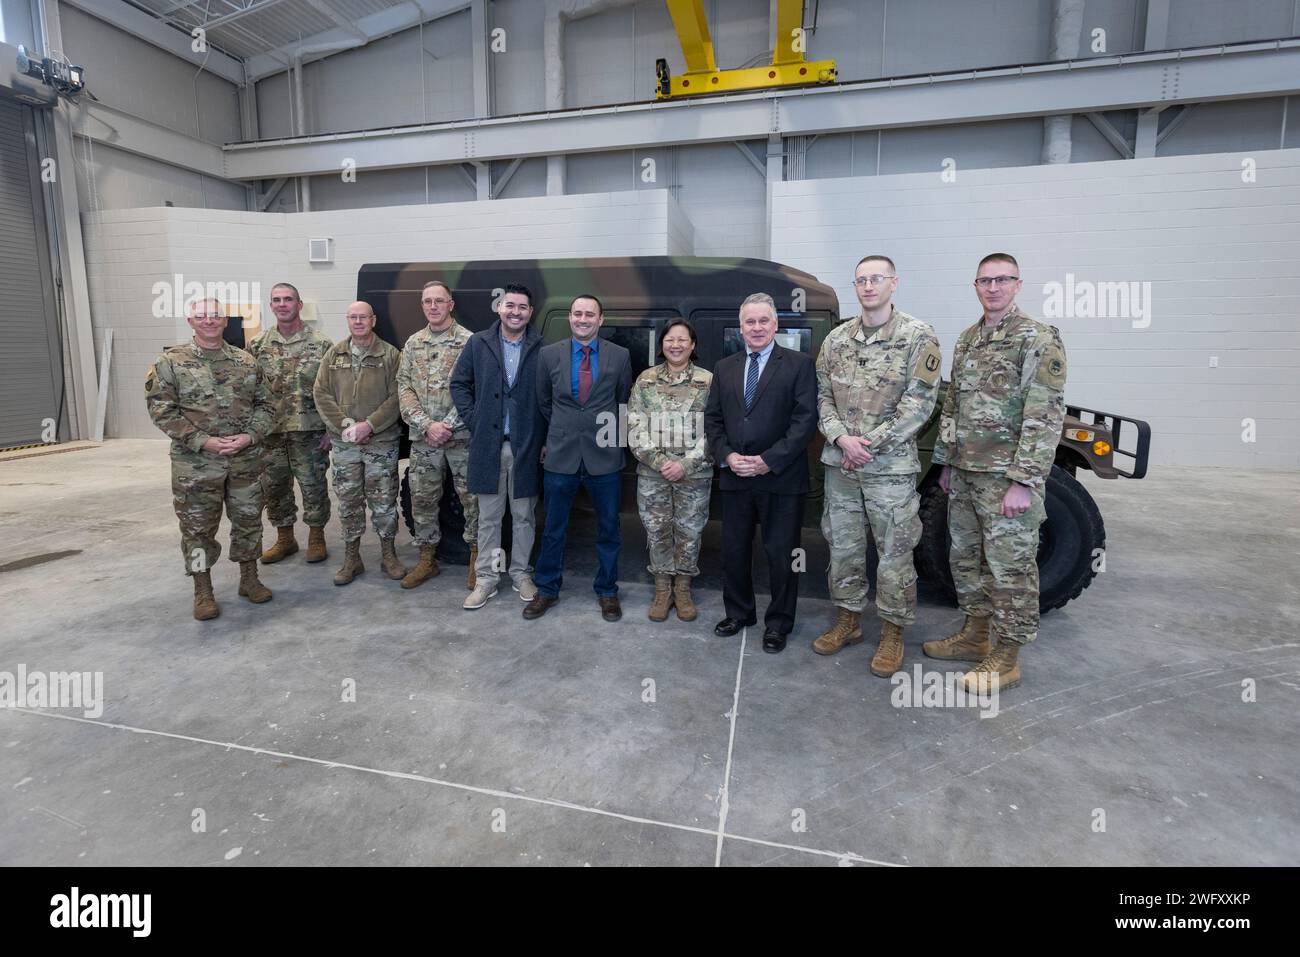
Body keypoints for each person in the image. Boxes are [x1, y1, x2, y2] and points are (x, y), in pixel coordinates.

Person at [927, 253, 1068, 693]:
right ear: (975, 286)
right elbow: (953, 405)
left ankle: (1007, 657)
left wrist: (1024, 480)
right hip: (966, 474)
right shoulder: (968, 339)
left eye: (1001, 280)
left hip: (1006, 478)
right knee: (965, 559)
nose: (993, 287)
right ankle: (974, 635)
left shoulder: (1038, 340)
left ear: (1018, 284)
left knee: (1011, 569)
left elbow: (1044, 414)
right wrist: (947, 462)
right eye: (985, 281)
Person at [813, 255, 941, 676]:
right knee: (844, 546)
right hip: (842, 466)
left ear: (894, 283)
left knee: (894, 552)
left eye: (876, 279)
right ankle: (848, 620)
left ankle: (891, 632)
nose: (868, 286)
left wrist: (868, 444)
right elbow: (823, 398)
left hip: (889, 468)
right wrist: (841, 438)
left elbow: (919, 404)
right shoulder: (836, 340)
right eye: (861, 280)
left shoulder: (918, 337)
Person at [145, 297, 276, 620]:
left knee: (248, 521)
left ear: (224, 321)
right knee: (198, 528)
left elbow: (268, 406)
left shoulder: (246, 361)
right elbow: (161, 410)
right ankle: (203, 589)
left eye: (215, 316)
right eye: (201, 316)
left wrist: (249, 436)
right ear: (190, 321)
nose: (208, 321)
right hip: (196, 463)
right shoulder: (171, 362)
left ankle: (249, 578)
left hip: (244, 459)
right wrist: (204, 442)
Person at [703, 292, 818, 653]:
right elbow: (713, 419)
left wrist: (769, 459)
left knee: (782, 555)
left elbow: (805, 422)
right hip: (736, 475)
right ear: (740, 327)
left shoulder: (799, 365)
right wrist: (726, 455)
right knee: (734, 550)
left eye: (763, 321)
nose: (756, 327)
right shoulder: (725, 367)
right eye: (749, 322)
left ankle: (779, 623)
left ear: (775, 324)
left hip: (780, 478)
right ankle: (739, 613)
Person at [523, 294, 633, 622]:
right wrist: (558, 432)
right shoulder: (548, 355)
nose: (582, 319)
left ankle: (608, 591)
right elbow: (544, 402)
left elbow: (622, 403)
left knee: (609, 528)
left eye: (589, 314)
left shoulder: (620, 355)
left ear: (600, 319)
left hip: (605, 457)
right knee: (554, 527)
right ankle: (547, 589)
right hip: (561, 454)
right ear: (570, 318)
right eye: (577, 314)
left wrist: (617, 444)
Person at [450, 283, 546, 610]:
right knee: (489, 517)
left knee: (524, 516)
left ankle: (521, 574)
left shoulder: (541, 348)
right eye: (510, 306)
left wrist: (542, 437)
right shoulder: (478, 343)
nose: (515, 312)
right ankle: (488, 579)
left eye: (522, 307)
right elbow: (459, 383)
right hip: (488, 447)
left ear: (530, 312)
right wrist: (474, 418)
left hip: (525, 448)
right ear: (500, 308)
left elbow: (546, 398)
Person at [313, 301, 406, 586]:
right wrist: (345, 425)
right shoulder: (334, 354)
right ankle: (352, 558)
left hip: (381, 443)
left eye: (363, 317)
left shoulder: (390, 355)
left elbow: (397, 396)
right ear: (347, 321)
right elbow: (321, 393)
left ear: (373, 319)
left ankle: (388, 555)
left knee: (384, 502)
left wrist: (370, 425)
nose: (358, 322)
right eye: (352, 317)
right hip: (345, 445)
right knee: (349, 501)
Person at [627, 319, 713, 622]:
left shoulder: (708, 381)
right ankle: (663, 589)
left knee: (689, 532)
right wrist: (662, 462)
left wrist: (686, 464)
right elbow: (634, 425)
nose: (675, 345)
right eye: (669, 340)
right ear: (662, 344)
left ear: (693, 345)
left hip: (695, 474)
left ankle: (683, 588)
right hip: (653, 474)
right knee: (658, 530)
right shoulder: (646, 380)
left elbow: (715, 430)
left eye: (682, 340)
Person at [397, 281, 478, 590]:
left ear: (450, 305)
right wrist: (426, 425)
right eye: (427, 301)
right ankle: (427, 559)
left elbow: (476, 389)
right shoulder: (413, 343)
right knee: (422, 499)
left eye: (439, 301)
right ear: (422, 306)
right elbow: (404, 387)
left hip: (460, 439)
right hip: (424, 439)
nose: (433, 306)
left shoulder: (470, 342)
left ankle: (476, 558)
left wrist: (447, 426)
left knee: (472, 500)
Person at [246, 282, 333, 565]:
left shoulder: (321, 344)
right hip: (270, 432)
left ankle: (316, 536)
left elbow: (334, 390)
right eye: (276, 300)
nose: (282, 304)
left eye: (288, 299)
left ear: (298, 304)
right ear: (271, 306)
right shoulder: (257, 345)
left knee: (313, 485)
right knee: (275, 486)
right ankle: (285, 538)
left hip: (309, 430)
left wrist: (332, 429)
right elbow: (249, 390)